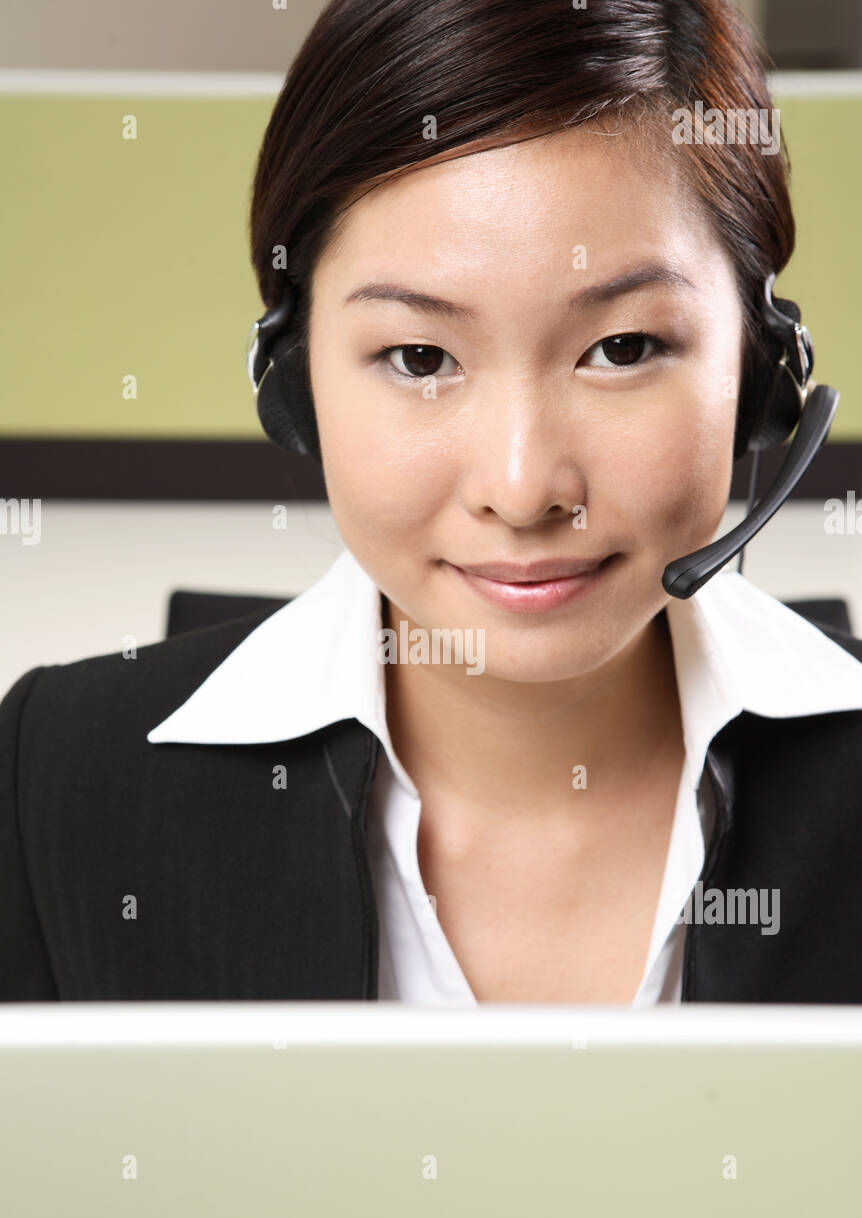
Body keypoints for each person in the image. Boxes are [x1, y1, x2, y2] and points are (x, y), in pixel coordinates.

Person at [2, 0, 862, 1006]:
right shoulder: (56, 782)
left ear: (762, 376)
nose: (522, 487)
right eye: (420, 357)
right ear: (295, 384)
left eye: (622, 348)